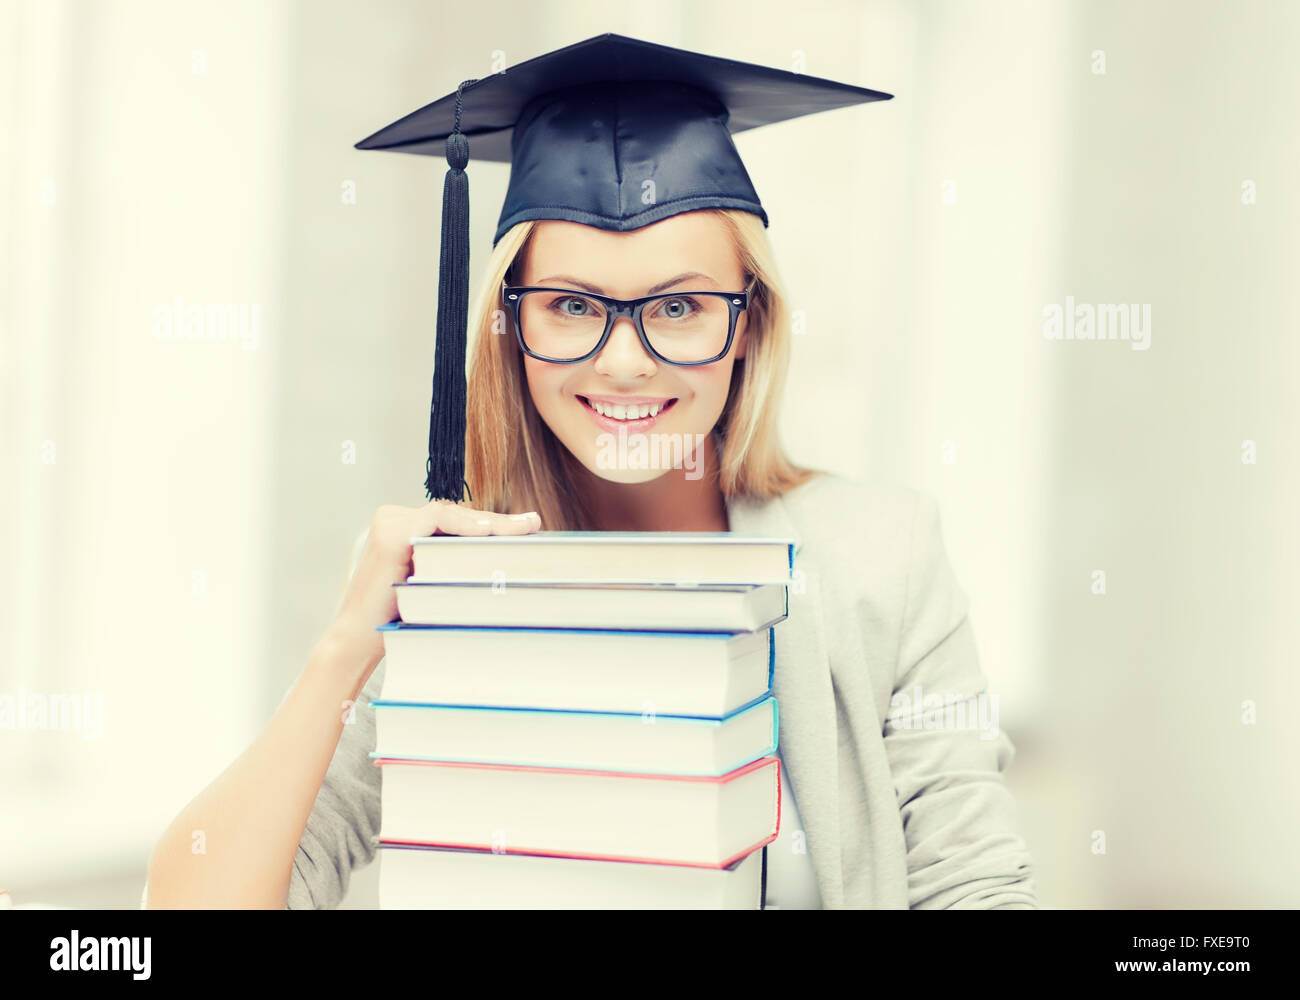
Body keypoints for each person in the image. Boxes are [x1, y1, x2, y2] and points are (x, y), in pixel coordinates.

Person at [146, 33, 1038, 909]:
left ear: (752, 328)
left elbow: (975, 889)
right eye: (572, 305)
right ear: (508, 327)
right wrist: (345, 649)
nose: (622, 362)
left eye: (681, 306)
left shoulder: (883, 556)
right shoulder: (450, 589)